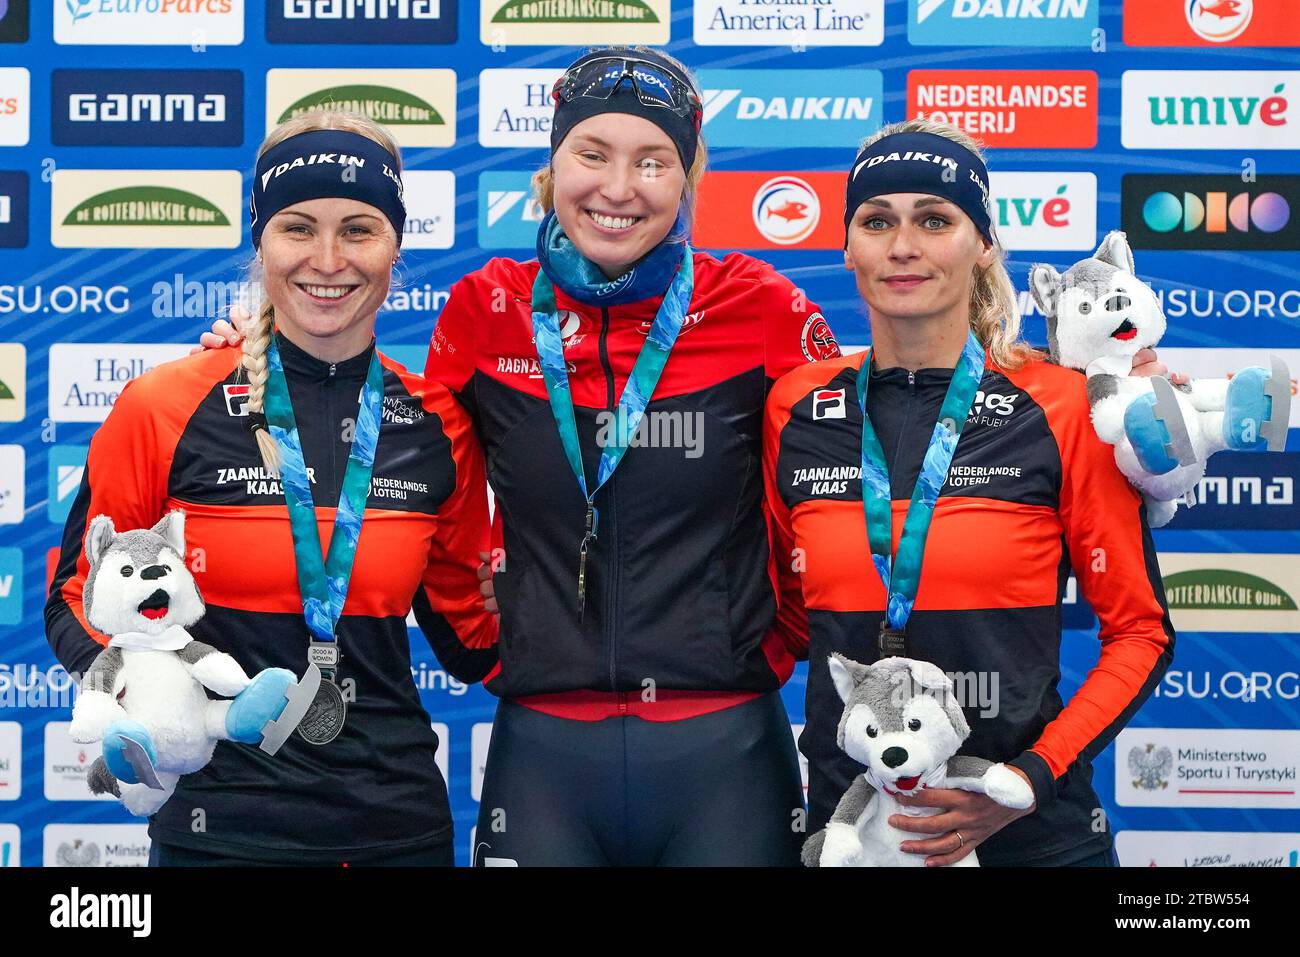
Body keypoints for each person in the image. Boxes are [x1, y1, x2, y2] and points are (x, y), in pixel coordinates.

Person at [199, 46, 839, 866]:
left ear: (687, 181)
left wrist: (773, 639)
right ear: (552, 164)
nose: (617, 188)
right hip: (544, 751)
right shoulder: (485, 311)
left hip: (725, 748)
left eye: (653, 161)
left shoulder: (759, 307)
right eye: (592, 154)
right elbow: (415, 470)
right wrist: (249, 355)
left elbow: (843, 482)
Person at [46, 109, 497, 866]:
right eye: (298, 227)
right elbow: (73, 594)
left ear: (396, 246)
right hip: (217, 829)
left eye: (359, 228)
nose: (328, 258)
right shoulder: (165, 405)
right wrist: (154, 693)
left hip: (394, 828)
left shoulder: (436, 422)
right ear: (261, 240)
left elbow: (471, 641)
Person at [763, 118, 1177, 867]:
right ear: (848, 246)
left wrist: (1028, 776)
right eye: (877, 220)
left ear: (982, 242)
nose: (904, 245)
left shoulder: (1059, 405)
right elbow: (787, 619)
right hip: (853, 837)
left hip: (1032, 830)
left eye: (935, 219)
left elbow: (1141, 632)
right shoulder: (795, 406)